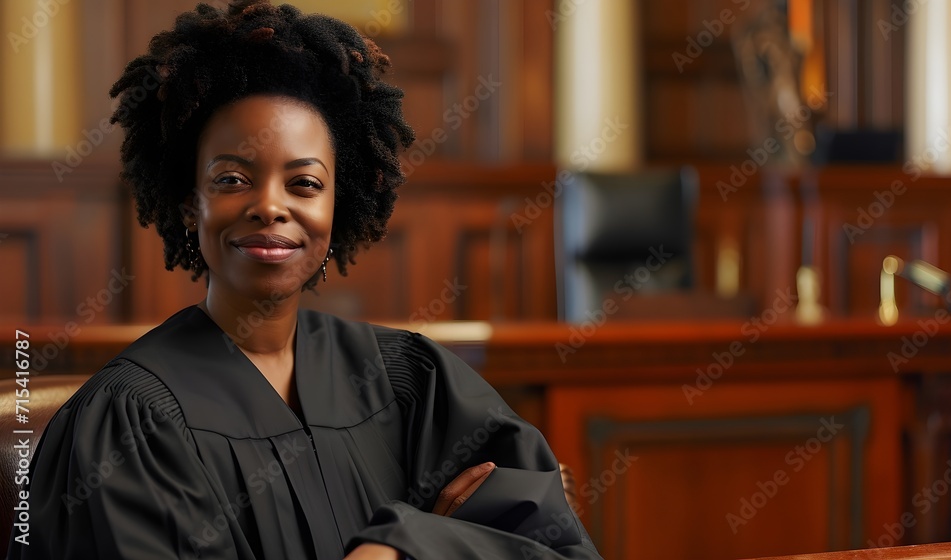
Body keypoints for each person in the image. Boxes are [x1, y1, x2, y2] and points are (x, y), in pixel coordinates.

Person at [7, 1, 602, 559]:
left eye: (305, 183)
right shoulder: (129, 423)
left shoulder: (409, 382)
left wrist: (403, 546)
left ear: (336, 208)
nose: (270, 206)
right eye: (232, 179)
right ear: (191, 205)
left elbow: (549, 538)